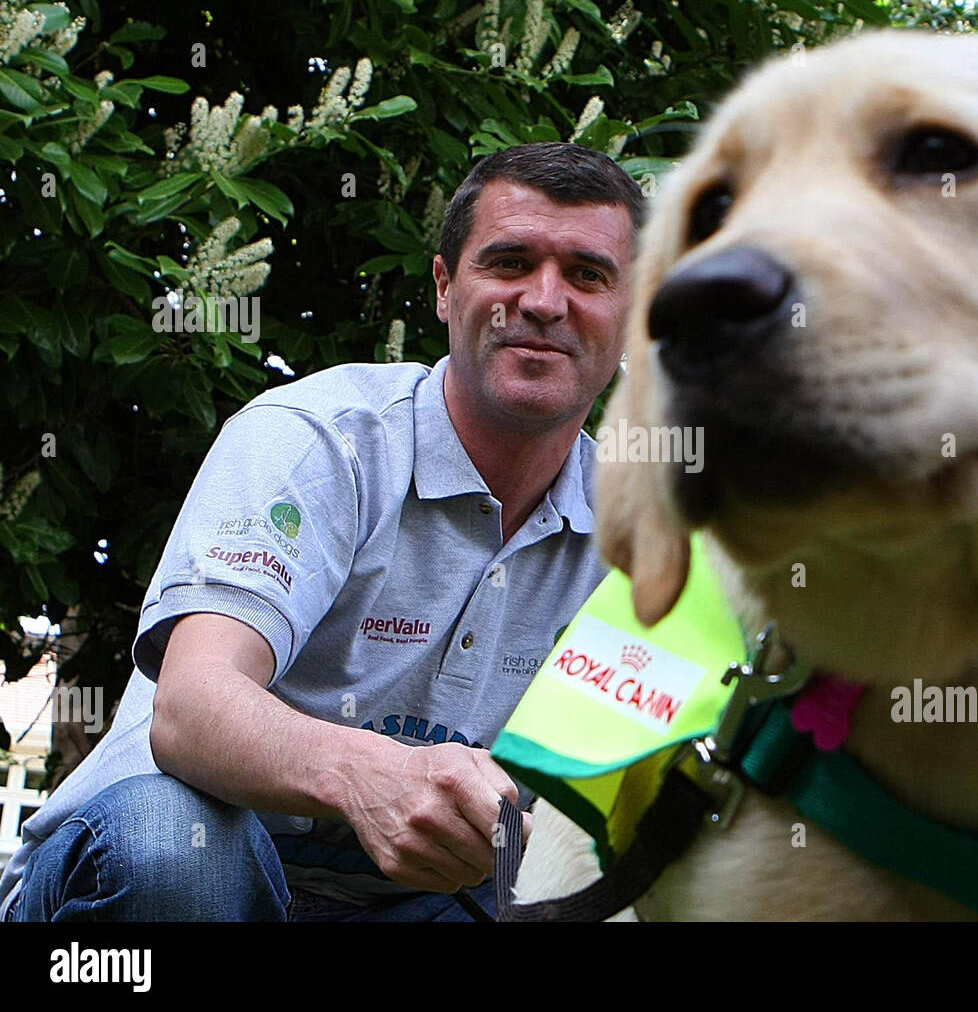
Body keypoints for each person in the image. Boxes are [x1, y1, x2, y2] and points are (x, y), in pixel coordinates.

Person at [0, 142, 644, 921]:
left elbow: (610, 809)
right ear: (443, 288)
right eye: (508, 263)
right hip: (183, 868)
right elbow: (192, 707)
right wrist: (368, 775)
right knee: (173, 849)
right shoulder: (316, 438)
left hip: (409, 905)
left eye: (587, 274)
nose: (544, 301)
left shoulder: (642, 537)